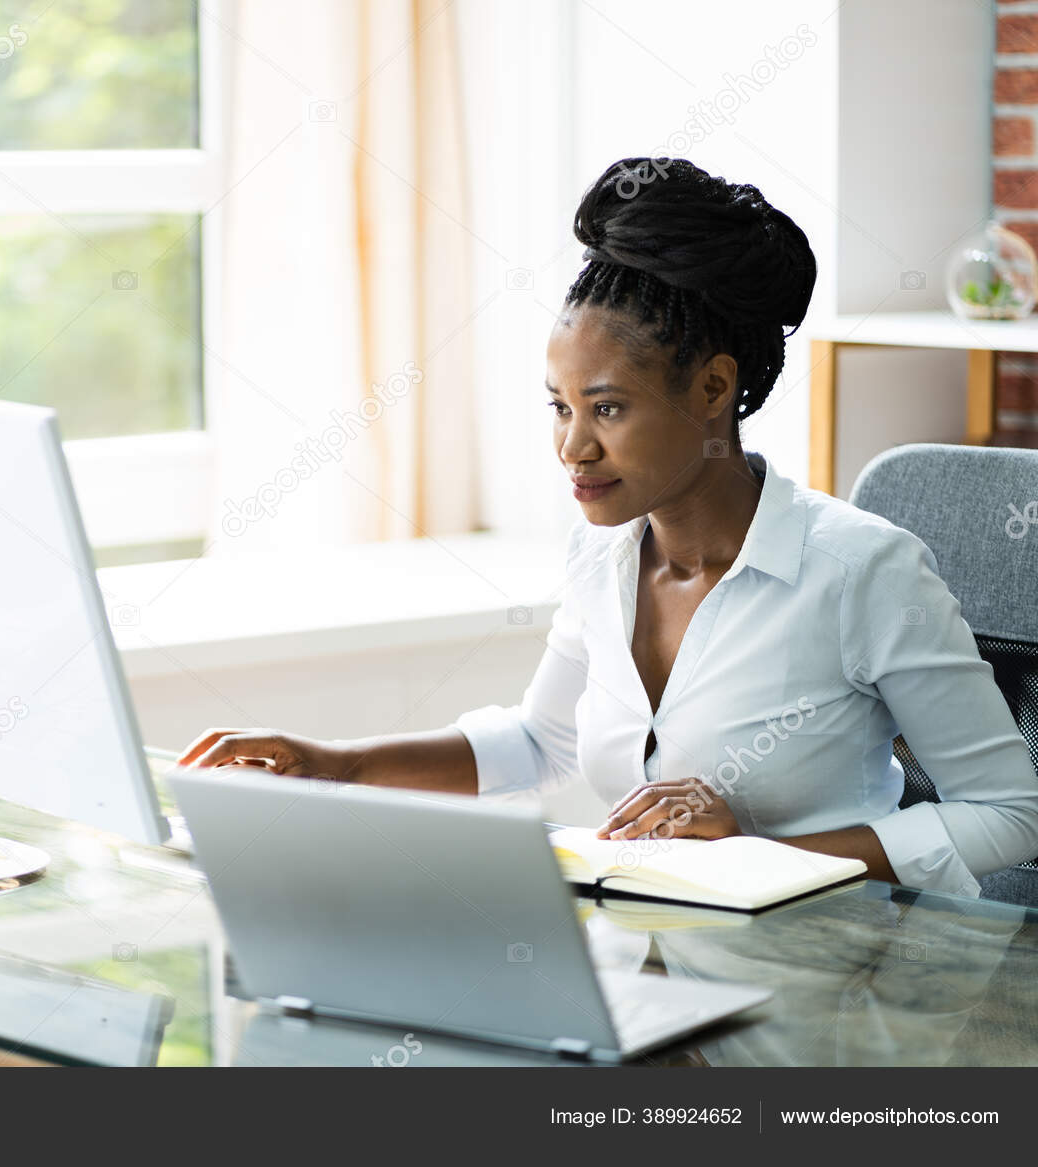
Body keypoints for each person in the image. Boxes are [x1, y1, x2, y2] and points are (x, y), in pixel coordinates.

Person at [177, 156, 1038, 899]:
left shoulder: (859, 570)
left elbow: (1010, 814)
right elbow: (538, 740)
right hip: (657, 963)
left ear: (711, 388)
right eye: (559, 407)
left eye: (609, 408)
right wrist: (335, 764)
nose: (572, 446)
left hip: (833, 993)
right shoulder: (602, 553)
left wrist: (761, 859)